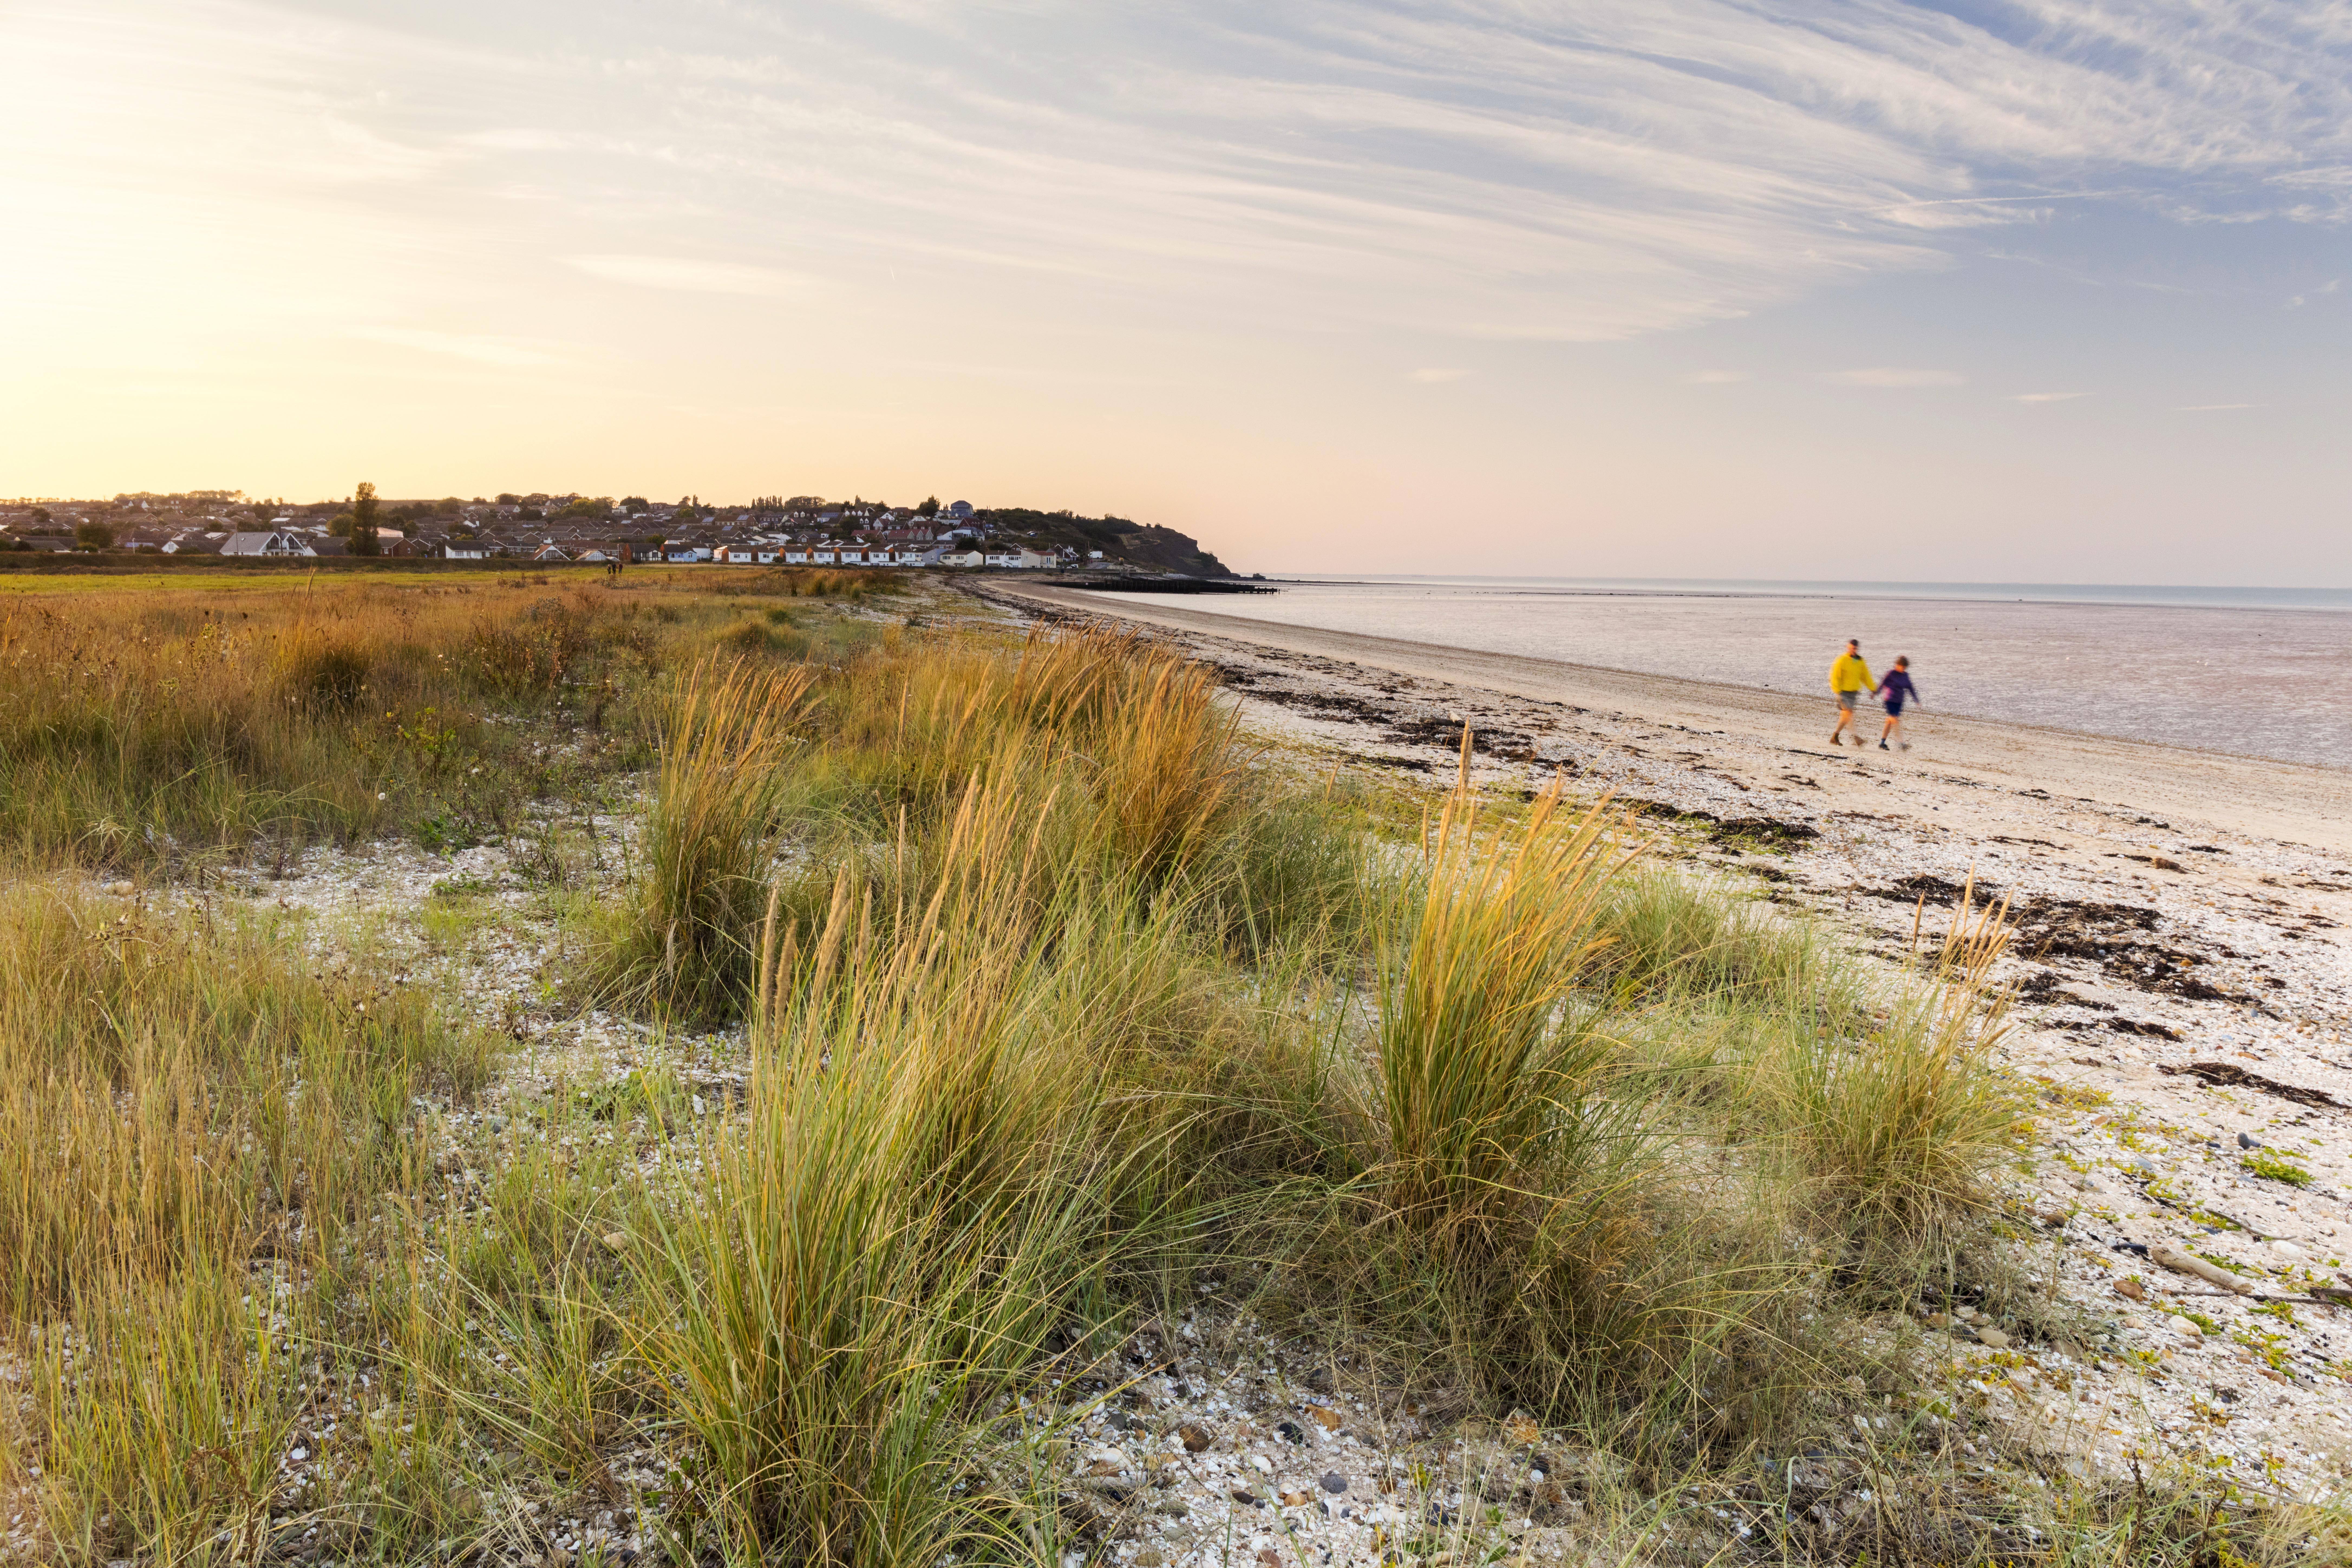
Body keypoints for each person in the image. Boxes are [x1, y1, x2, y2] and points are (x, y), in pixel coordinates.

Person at [1827, 638, 1874, 746]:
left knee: (1845, 717)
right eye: (1852, 648)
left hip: (1853, 693)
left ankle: (1835, 737)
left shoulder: (1860, 661)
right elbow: (1834, 675)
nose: (1853, 650)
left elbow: (1866, 676)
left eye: (1855, 649)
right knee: (1849, 714)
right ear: (1848, 648)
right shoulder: (1842, 660)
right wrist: (1837, 691)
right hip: (1842, 692)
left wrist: (1873, 689)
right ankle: (1857, 738)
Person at [1876, 657, 1919, 750]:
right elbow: (1883, 684)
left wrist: (1916, 700)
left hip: (1899, 702)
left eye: (1904, 667)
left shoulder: (1906, 676)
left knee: (1889, 722)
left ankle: (1882, 743)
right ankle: (1901, 743)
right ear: (1897, 665)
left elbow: (1911, 688)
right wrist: (1876, 693)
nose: (1902, 669)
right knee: (1895, 720)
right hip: (1889, 700)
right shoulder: (1891, 674)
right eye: (1901, 666)